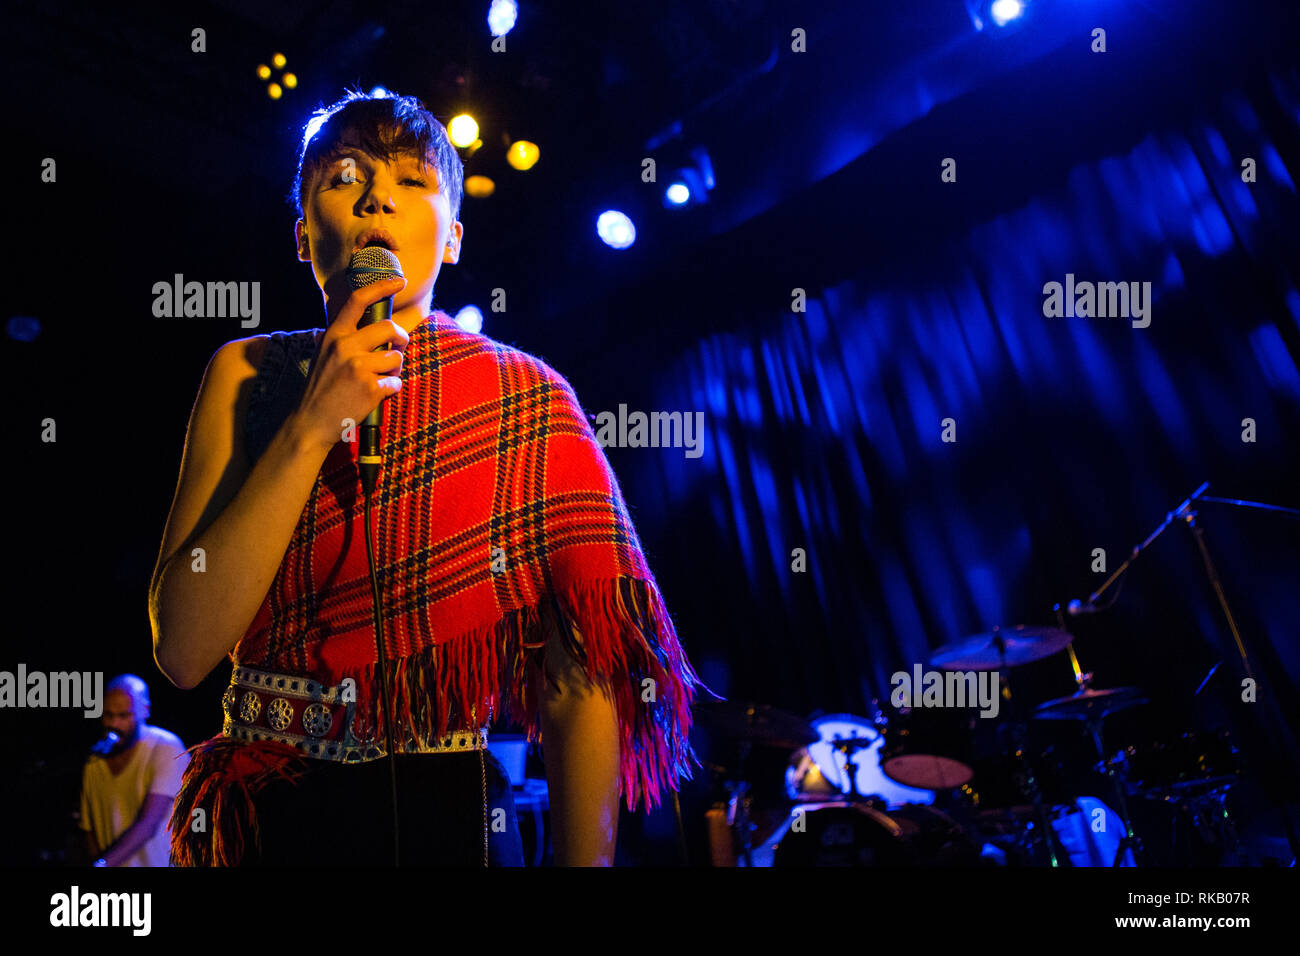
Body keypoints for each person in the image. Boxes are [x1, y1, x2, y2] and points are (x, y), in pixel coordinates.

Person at [148, 89, 709, 866]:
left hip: (446, 808)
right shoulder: (247, 373)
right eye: (344, 178)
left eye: (413, 182)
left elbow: (579, 680)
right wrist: (312, 425)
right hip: (270, 809)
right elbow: (182, 648)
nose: (378, 193)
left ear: (451, 239)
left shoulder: (528, 398)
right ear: (305, 236)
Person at [79, 674, 188, 867]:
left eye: (123, 716)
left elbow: (148, 824)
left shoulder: (165, 747)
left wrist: (103, 864)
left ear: (145, 710)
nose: (114, 724)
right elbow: (89, 830)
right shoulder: (94, 762)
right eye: (108, 715)